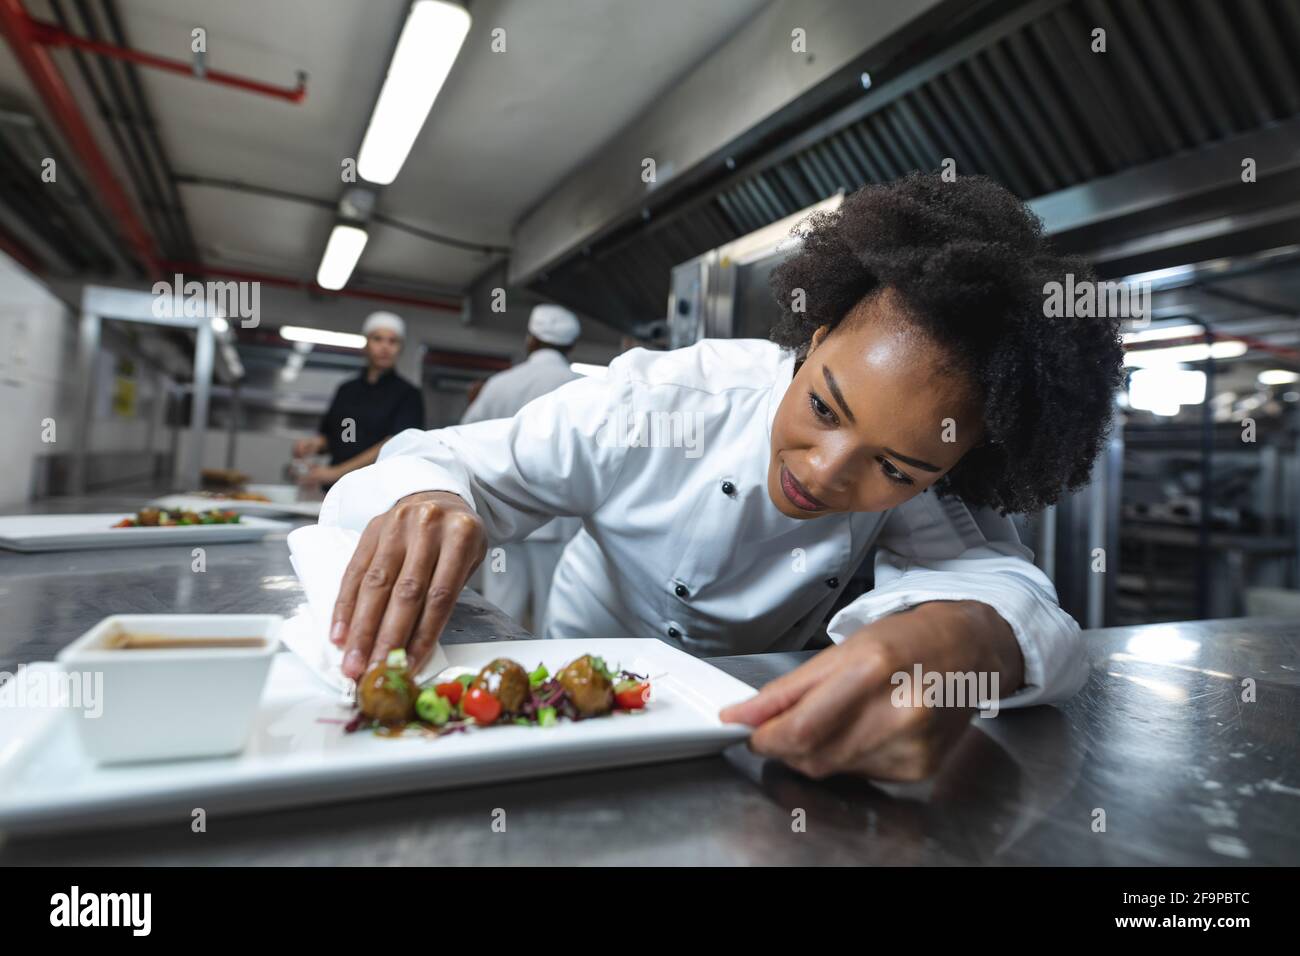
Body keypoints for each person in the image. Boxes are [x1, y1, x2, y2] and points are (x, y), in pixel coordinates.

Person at [318, 174, 1124, 781]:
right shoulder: (656, 402)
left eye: (893, 467)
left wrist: (964, 641)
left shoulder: (930, 475)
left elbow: (1027, 612)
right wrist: (425, 497)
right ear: (810, 344)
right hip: (564, 708)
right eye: (824, 407)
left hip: (737, 736)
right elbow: (440, 460)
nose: (826, 472)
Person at [460, 304, 583, 630]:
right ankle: (554, 678)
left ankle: (496, 672)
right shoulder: (581, 387)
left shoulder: (499, 385)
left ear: (531, 340)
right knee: (554, 612)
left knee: (501, 610)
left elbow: (467, 441)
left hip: (503, 516)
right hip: (560, 521)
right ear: (570, 346)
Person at [293, 311, 425, 489]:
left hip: (378, 490)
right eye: (378, 339)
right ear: (366, 344)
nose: (385, 347)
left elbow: (395, 442)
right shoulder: (346, 390)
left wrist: (336, 472)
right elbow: (339, 436)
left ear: (400, 348)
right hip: (336, 489)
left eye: (393, 341)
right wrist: (314, 445)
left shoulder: (408, 394)